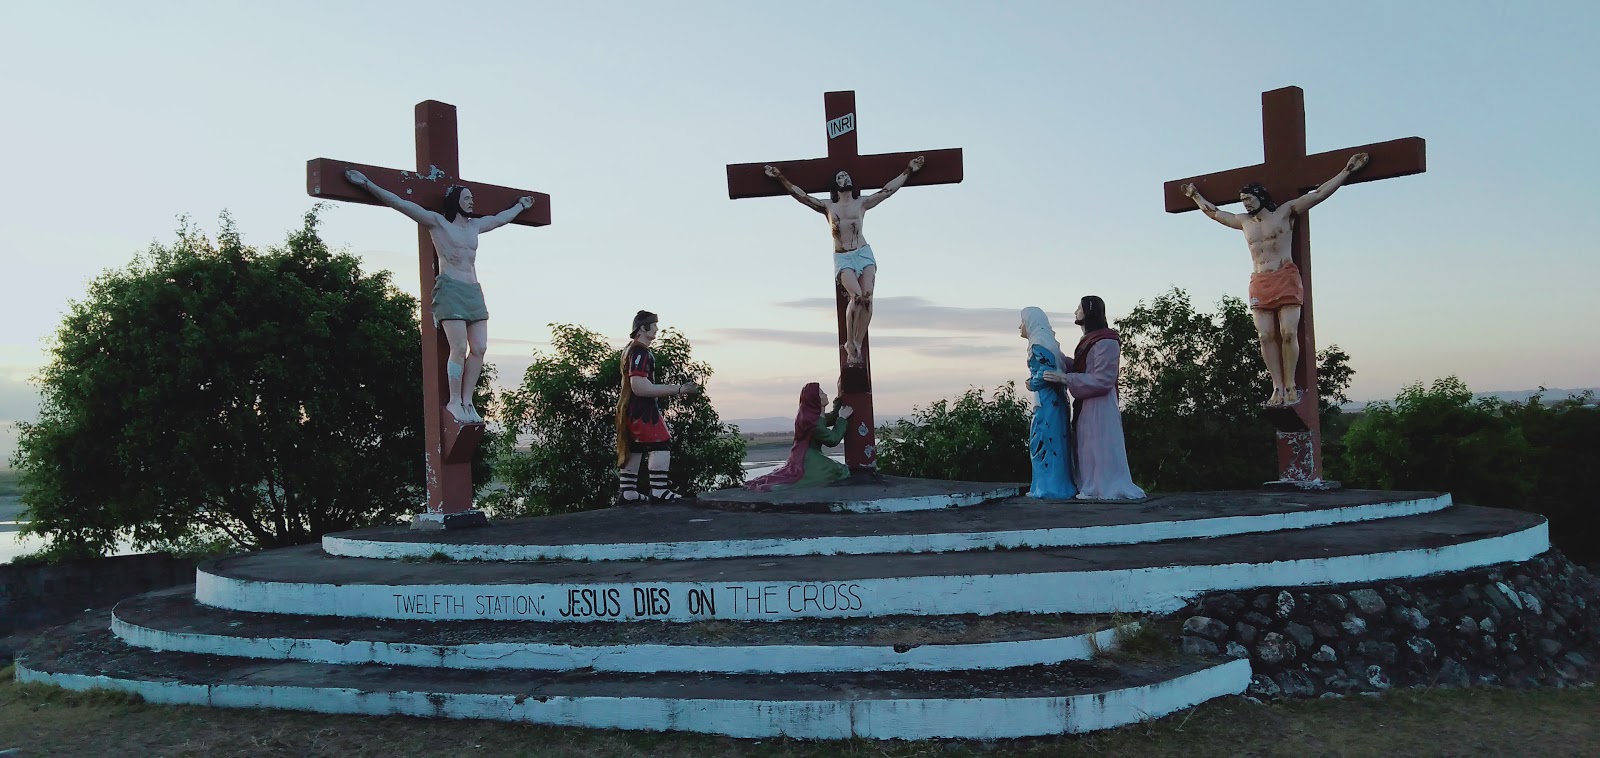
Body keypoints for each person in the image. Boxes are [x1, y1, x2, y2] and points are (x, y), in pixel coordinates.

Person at [345, 170, 534, 423]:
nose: (471, 201)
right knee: (458, 347)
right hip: (451, 288)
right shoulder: (437, 222)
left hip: (473, 290)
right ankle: (454, 401)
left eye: (471, 198)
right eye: (466, 198)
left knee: (479, 348)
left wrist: (521, 206)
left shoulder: (475, 226)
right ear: (455, 200)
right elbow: (400, 203)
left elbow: (500, 219)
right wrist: (368, 184)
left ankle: (468, 401)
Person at [1181, 153, 1369, 406]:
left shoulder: (1285, 212)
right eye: (1242, 200)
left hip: (1285, 275)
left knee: (1288, 332)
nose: (1245, 203)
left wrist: (1347, 171)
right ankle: (1277, 386)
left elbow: (1318, 194)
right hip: (1260, 280)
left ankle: (1290, 384)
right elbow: (1214, 213)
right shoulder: (1243, 221)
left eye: (1248, 198)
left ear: (1260, 196)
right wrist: (1195, 196)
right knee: (1265, 336)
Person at [764, 156, 925, 366]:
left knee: (867, 298)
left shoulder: (862, 203)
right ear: (835, 185)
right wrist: (780, 178)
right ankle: (849, 342)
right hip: (843, 257)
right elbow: (801, 195)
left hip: (863, 252)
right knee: (856, 297)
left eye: (846, 175)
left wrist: (909, 170)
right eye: (840, 176)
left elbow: (887, 191)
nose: (845, 177)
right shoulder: (828, 206)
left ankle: (857, 344)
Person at [1042, 296, 1145, 500]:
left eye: (1079, 308)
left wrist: (1066, 378)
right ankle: (1090, 485)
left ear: (1089, 312)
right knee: (1087, 446)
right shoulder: (1091, 340)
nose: (1075, 312)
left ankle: (1104, 487)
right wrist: (1059, 360)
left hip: (1100, 406)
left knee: (1100, 446)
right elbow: (1084, 369)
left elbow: (1103, 379)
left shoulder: (1106, 341)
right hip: (1088, 404)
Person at [615, 311, 701, 504]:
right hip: (642, 410)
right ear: (643, 328)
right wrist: (679, 389)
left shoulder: (629, 350)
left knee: (634, 446)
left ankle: (628, 491)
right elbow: (640, 386)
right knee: (660, 443)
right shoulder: (641, 352)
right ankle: (659, 490)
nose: (656, 329)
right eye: (653, 325)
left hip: (628, 408)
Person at [744, 382, 854, 492]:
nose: (825, 394)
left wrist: (840, 397)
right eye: (821, 393)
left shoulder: (811, 416)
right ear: (815, 399)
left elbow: (831, 417)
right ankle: (777, 488)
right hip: (807, 456)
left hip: (801, 454)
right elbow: (832, 439)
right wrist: (843, 419)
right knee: (839, 470)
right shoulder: (812, 422)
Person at [1019, 307, 1076, 499]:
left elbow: (1046, 373)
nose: (1020, 327)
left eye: (1023, 322)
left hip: (1047, 400)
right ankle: (1053, 485)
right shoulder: (1048, 342)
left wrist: (1032, 383)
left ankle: (1049, 487)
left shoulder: (1038, 343)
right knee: (1055, 441)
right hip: (1055, 399)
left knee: (1044, 441)